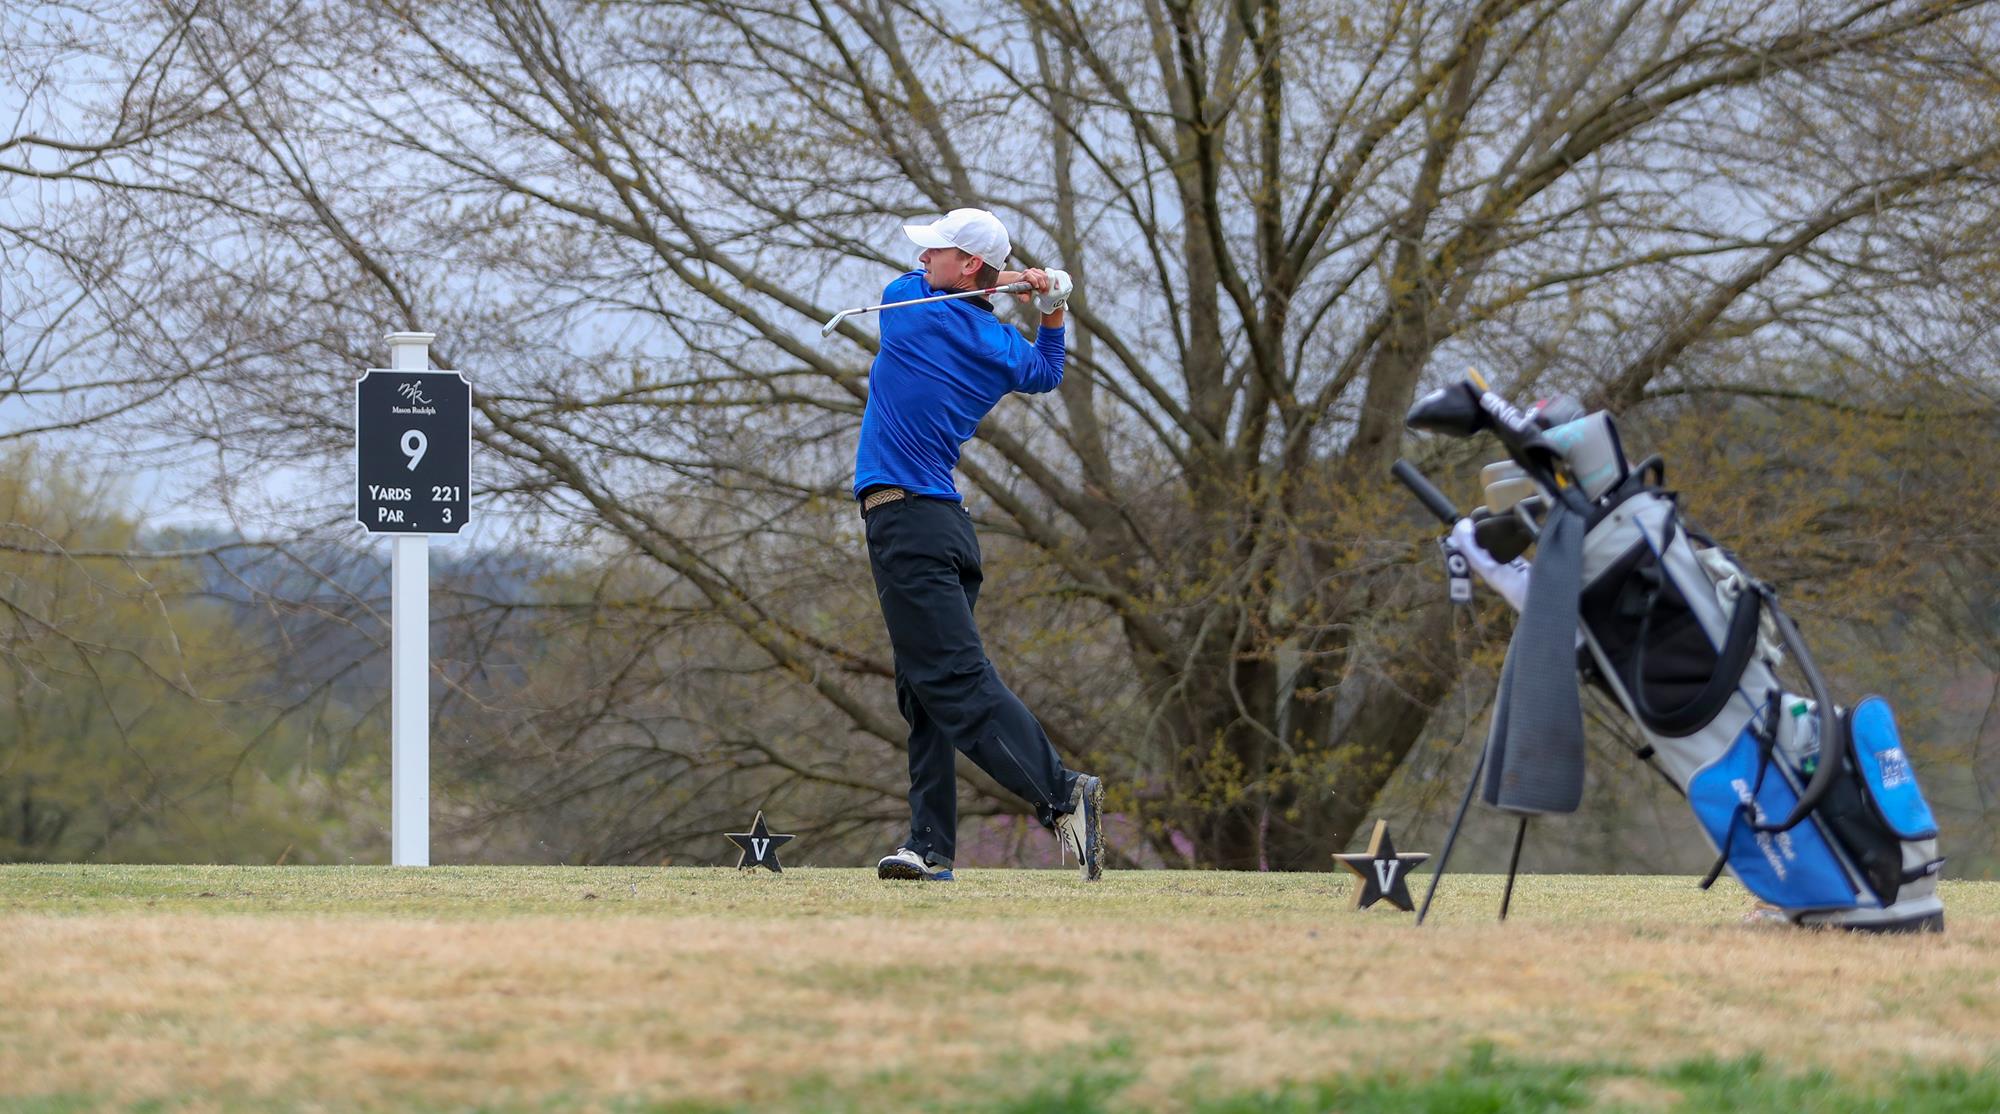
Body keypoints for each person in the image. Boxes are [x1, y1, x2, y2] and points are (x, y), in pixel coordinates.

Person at [853, 207, 1104, 882]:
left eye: (934, 250)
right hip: (947, 528)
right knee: (923, 688)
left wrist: (1017, 283)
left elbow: (915, 285)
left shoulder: (908, 306)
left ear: (965, 267)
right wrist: (1049, 305)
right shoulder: (995, 345)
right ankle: (928, 847)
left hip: (907, 524)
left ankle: (1061, 794)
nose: (921, 260)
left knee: (953, 682)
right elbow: (1048, 371)